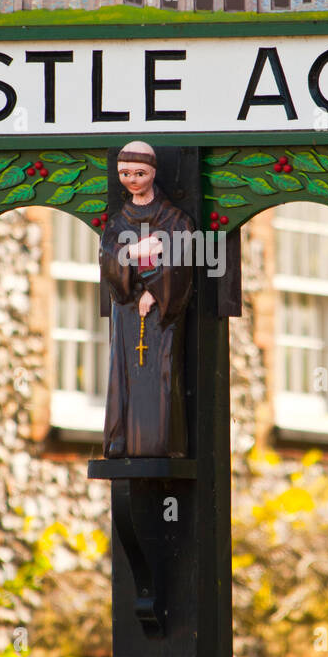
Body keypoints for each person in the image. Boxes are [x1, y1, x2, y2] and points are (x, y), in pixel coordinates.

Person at [100, 142, 194, 457]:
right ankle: (122, 440)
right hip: (126, 312)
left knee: (159, 370)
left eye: (139, 173)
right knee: (125, 370)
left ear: (153, 173)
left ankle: (159, 442)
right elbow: (109, 257)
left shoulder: (174, 219)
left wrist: (155, 291)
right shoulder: (117, 221)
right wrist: (132, 252)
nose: (133, 180)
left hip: (159, 315)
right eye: (125, 174)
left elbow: (180, 257)